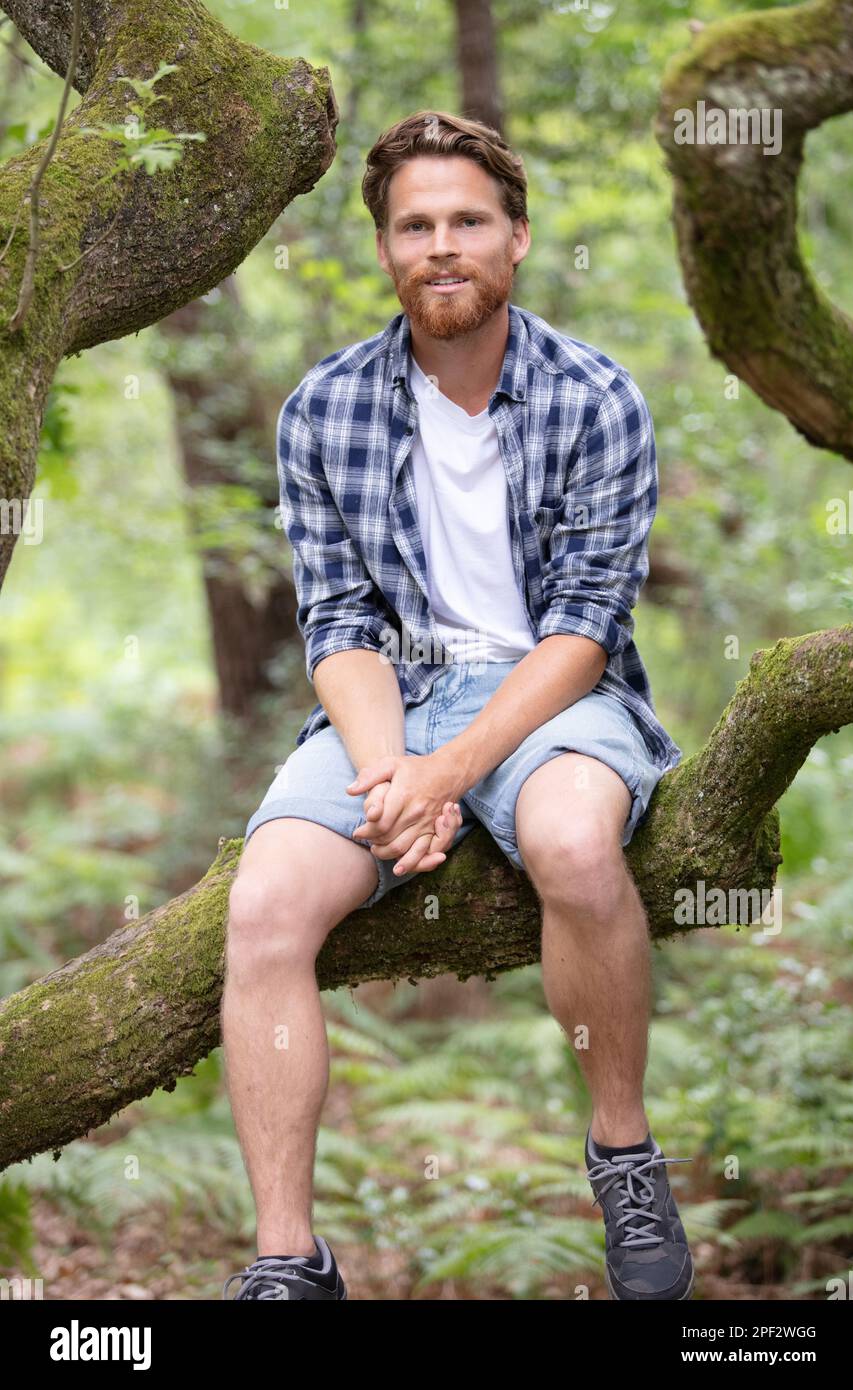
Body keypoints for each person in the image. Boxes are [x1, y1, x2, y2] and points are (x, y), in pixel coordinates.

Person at [220, 109, 694, 1302]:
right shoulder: (321, 409)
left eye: (466, 221)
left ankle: (623, 1154)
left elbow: (582, 629)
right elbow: (337, 624)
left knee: (577, 848)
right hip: (389, 700)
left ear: (516, 239)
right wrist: (392, 775)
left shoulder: (596, 397)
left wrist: (451, 775)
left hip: (550, 693)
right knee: (265, 904)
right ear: (384, 249)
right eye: (414, 225)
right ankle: (289, 1257)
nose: (441, 245)